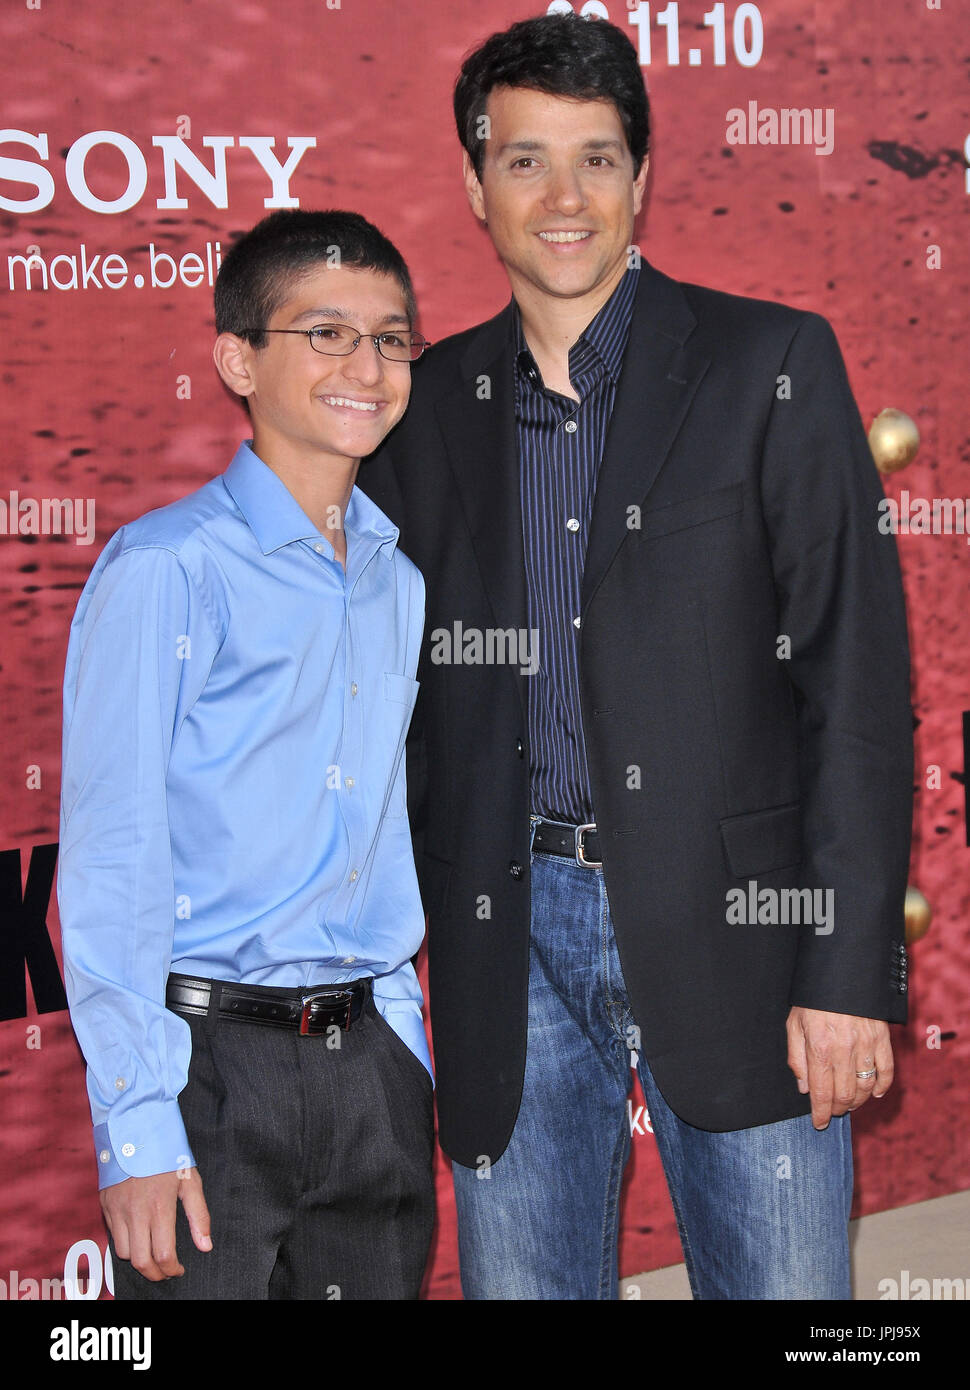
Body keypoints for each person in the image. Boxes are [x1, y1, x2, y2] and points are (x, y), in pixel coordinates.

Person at [365, 14, 913, 1300]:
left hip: (747, 933)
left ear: (641, 178)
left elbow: (856, 687)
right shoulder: (426, 406)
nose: (564, 199)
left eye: (596, 160)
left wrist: (846, 973)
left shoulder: (768, 363)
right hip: (511, 938)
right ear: (473, 183)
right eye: (525, 161)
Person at [58, 209, 434, 1300]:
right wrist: (136, 1121)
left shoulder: (395, 583)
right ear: (237, 359)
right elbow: (116, 854)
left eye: (390, 337)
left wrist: (399, 1049)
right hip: (207, 1070)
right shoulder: (167, 569)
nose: (366, 366)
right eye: (325, 333)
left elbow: (378, 833)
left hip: (369, 1068)